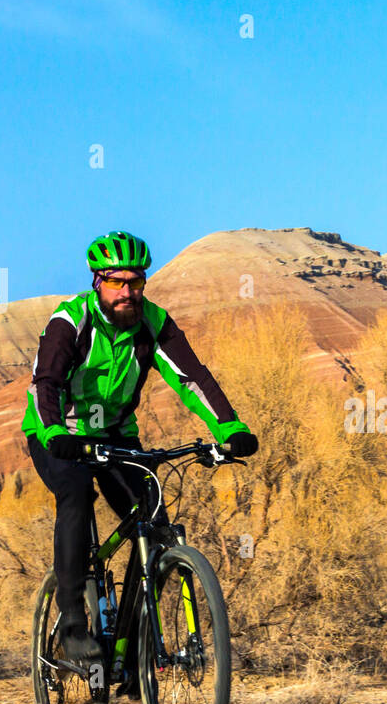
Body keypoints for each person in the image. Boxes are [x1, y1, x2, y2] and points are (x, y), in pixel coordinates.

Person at [22, 231, 258, 661]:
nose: (127, 292)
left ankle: (133, 650)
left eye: (135, 282)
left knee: (155, 523)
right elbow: (46, 383)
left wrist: (229, 427)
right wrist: (56, 433)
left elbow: (191, 378)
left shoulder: (153, 321)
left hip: (115, 437)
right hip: (58, 434)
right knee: (75, 494)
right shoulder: (70, 322)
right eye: (116, 282)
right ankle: (74, 625)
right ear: (97, 282)